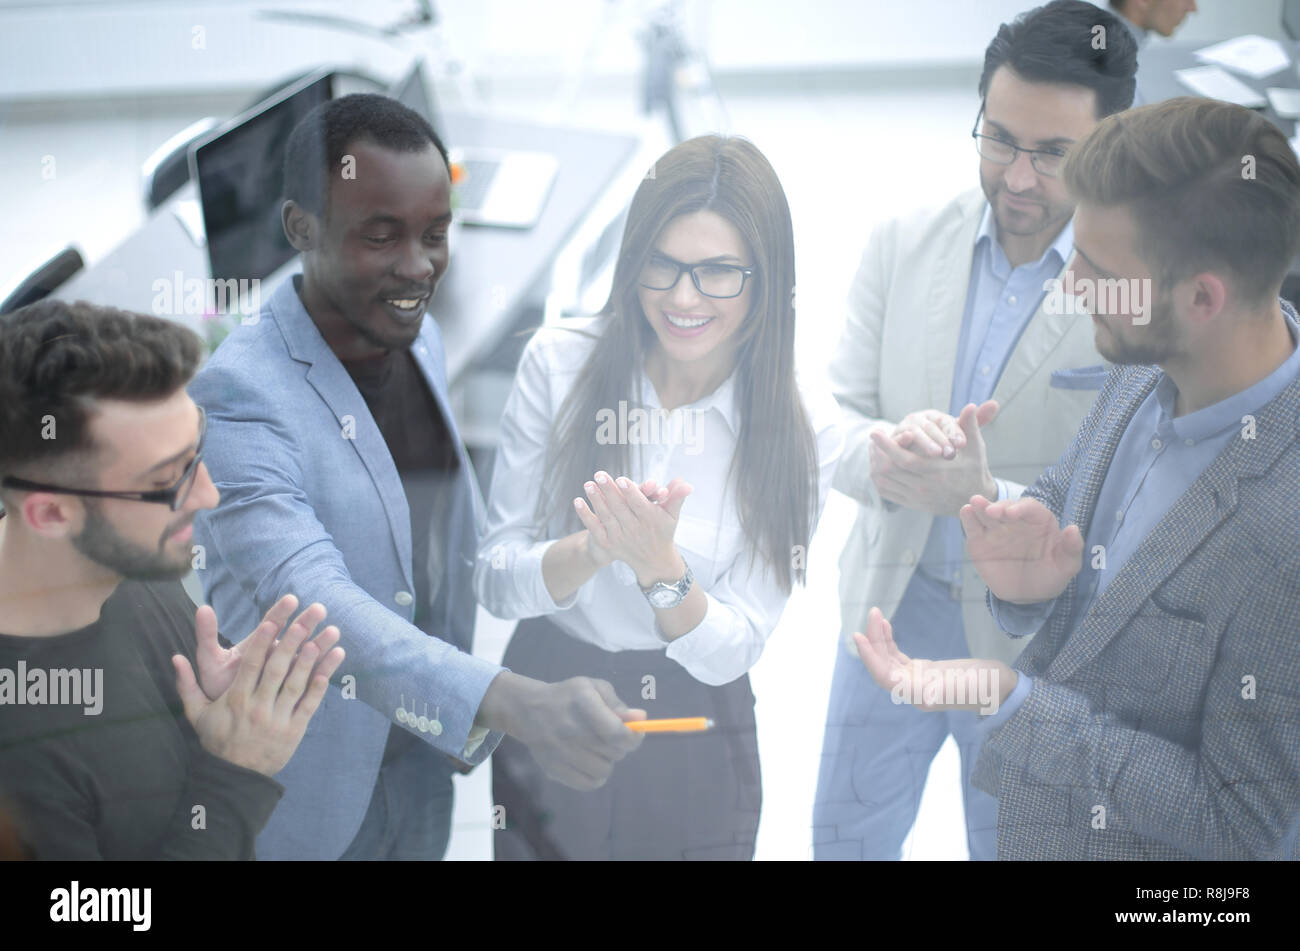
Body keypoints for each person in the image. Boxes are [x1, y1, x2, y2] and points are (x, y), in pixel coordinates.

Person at [190, 93, 643, 861]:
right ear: (301, 227)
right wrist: (514, 701)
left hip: (423, 758)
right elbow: (319, 604)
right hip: (315, 793)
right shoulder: (240, 395)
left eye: (436, 234)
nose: (419, 266)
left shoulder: (417, 333)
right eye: (382, 235)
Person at [857, 97, 1300, 860]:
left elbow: (1236, 821)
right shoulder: (1143, 366)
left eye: (1098, 270)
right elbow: (1074, 524)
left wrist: (1012, 700)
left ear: (1202, 297)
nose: (1070, 287)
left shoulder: (1282, 535)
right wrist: (1026, 561)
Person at [813, 0, 1138, 861]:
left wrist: (986, 495)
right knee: (845, 842)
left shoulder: (1138, 292)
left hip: (1040, 656)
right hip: (889, 615)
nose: (1019, 177)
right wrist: (880, 457)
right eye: (999, 139)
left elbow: (1138, 506)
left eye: (1052, 154)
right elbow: (830, 415)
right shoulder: (901, 242)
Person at [474, 134, 842, 860]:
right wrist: (589, 550)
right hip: (552, 680)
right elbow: (495, 579)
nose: (682, 297)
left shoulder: (804, 426)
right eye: (663, 264)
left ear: (766, 280)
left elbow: (737, 644)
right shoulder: (559, 363)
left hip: (694, 710)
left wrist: (659, 569)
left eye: (717, 273)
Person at [0, 300, 343, 859]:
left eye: (197, 453)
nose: (207, 495)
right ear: (51, 514)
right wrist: (235, 772)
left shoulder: (123, 559)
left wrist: (218, 723)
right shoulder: (17, 764)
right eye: (168, 480)